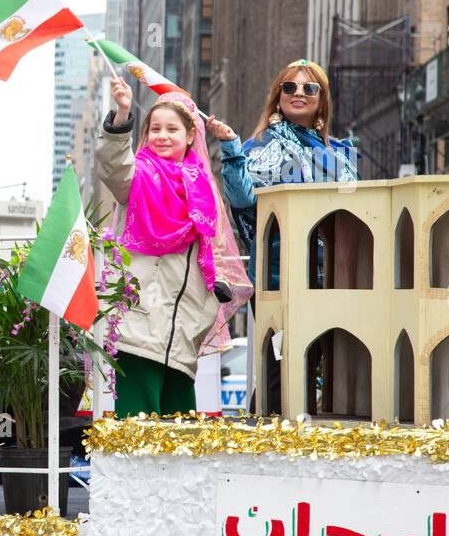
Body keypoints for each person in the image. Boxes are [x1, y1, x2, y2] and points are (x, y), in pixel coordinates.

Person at [96, 76, 252, 417]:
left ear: (190, 136)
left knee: (179, 442)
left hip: (182, 337)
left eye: (172, 130)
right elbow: (113, 165)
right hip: (139, 333)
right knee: (138, 437)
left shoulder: (201, 187)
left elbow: (212, 250)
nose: (162, 137)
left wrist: (212, 293)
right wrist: (122, 115)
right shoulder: (137, 176)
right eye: (155, 129)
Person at [207, 59, 360, 290]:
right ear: (279, 97)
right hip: (278, 277)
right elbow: (242, 198)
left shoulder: (340, 154)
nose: (299, 93)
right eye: (290, 87)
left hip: (336, 275)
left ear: (322, 101)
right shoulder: (257, 147)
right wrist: (229, 147)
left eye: (309, 88)